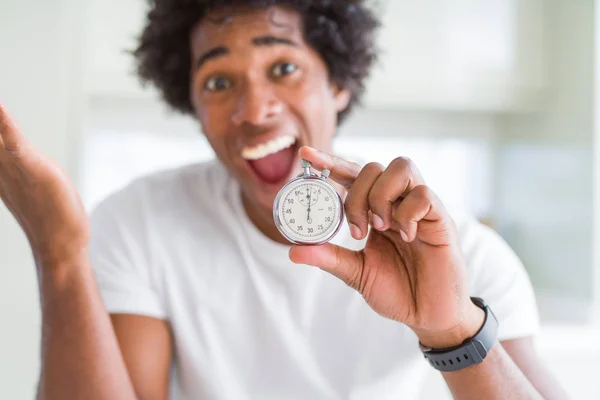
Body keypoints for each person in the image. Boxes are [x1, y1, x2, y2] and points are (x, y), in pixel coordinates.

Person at [0, 1, 569, 399]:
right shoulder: (140, 224)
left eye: (284, 68)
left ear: (339, 83)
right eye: (219, 82)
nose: (254, 108)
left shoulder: (460, 254)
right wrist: (61, 257)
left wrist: (453, 332)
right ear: (192, 106)